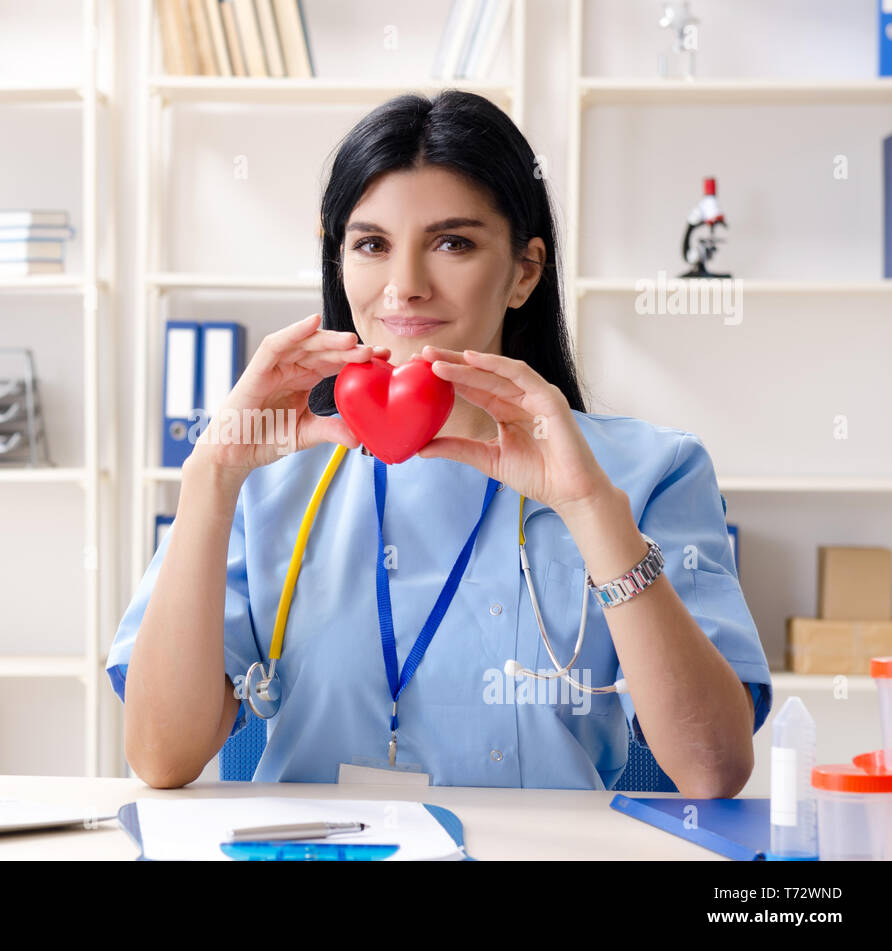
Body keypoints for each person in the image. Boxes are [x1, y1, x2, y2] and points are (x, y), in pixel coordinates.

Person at [106, 90, 771, 792]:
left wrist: (589, 508)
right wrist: (210, 474)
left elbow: (712, 768)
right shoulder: (267, 477)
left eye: (452, 243)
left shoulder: (647, 470)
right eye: (371, 245)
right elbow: (160, 755)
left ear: (524, 271)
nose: (405, 287)